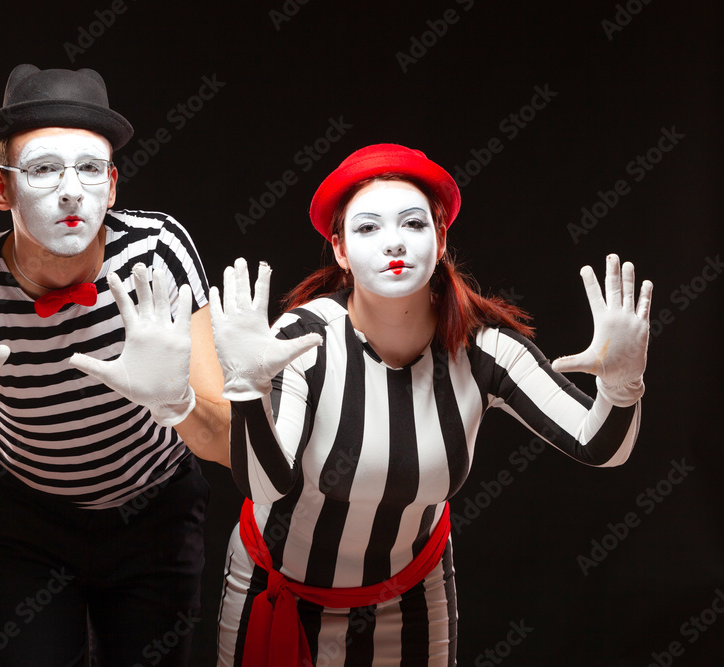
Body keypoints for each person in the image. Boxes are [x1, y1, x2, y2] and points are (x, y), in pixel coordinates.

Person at [210, 144, 652, 666]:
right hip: (275, 586)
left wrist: (623, 386)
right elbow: (265, 484)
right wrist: (246, 389)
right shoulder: (305, 339)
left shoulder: (485, 350)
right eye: (368, 228)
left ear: (441, 240)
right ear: (340, 250)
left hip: (410, 598)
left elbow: (601, 447)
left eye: (414, 224)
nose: (394, 241)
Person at [0, 64, 229, 666]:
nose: (71, 191)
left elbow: (229, 447)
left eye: (89, 169)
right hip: (21, 522)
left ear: (112, 186)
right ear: (0, 188)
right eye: (43, 169)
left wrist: (176, 403)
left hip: (154, 514)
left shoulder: (159, 253)